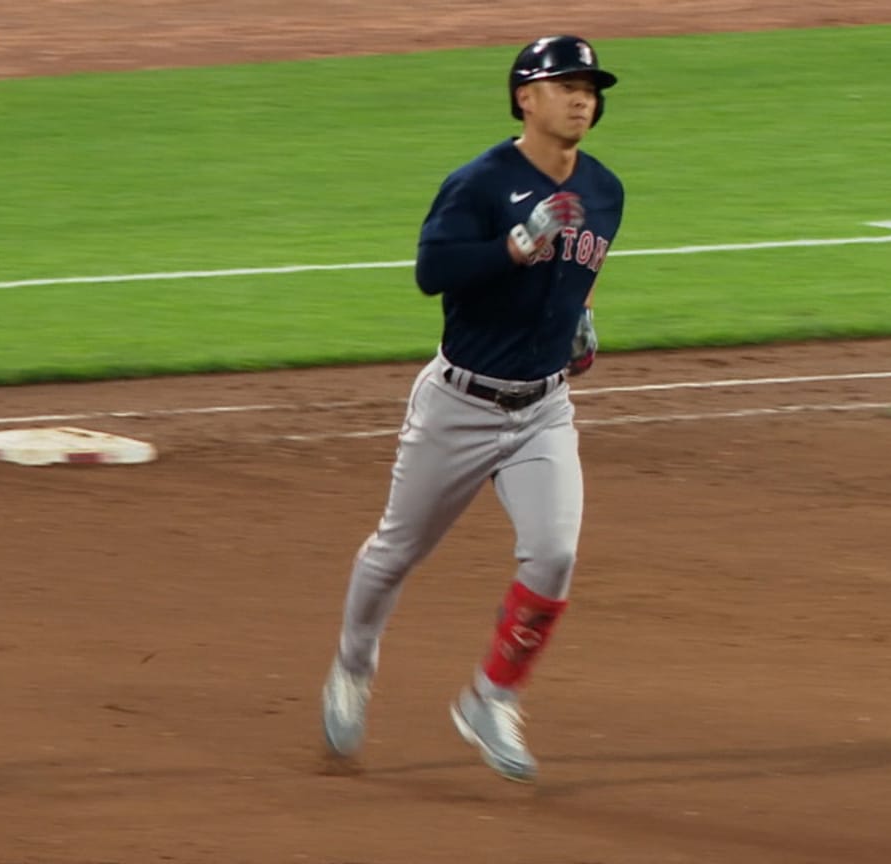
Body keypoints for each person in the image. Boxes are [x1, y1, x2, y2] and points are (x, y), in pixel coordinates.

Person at [319, 35, 624, 783]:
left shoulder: (607, 190)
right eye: (565, 85)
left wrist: (583, 318)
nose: (581, 99)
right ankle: (354, 666)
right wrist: (513, 246)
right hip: (459, 404)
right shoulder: (480, 183)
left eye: (589, 88)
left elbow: (584, 270)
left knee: (554, 554)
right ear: (525, 97)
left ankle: (493, 695)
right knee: (397, 550)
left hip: (544, 409)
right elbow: (432, 271)